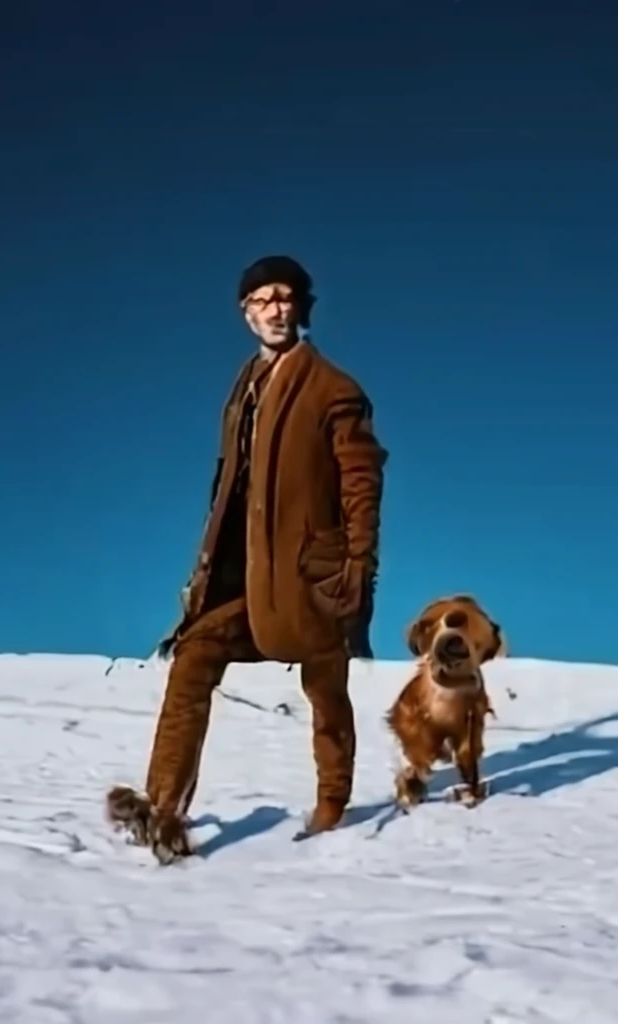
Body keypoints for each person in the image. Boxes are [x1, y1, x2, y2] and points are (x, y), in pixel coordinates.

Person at [106, 255, 388, 863]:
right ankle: (164, 813)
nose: (275, 309)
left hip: (312, 575)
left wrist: (357, 568)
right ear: (246, 314)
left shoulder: (333, 388)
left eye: (285, 297)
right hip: (247, 577)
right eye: (262, 300)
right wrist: (203, 571)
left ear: (303, 307)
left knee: (325, 688)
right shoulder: (243, 386)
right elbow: (229, 490)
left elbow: (362, 482)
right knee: (193, 658)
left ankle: (332, 802)